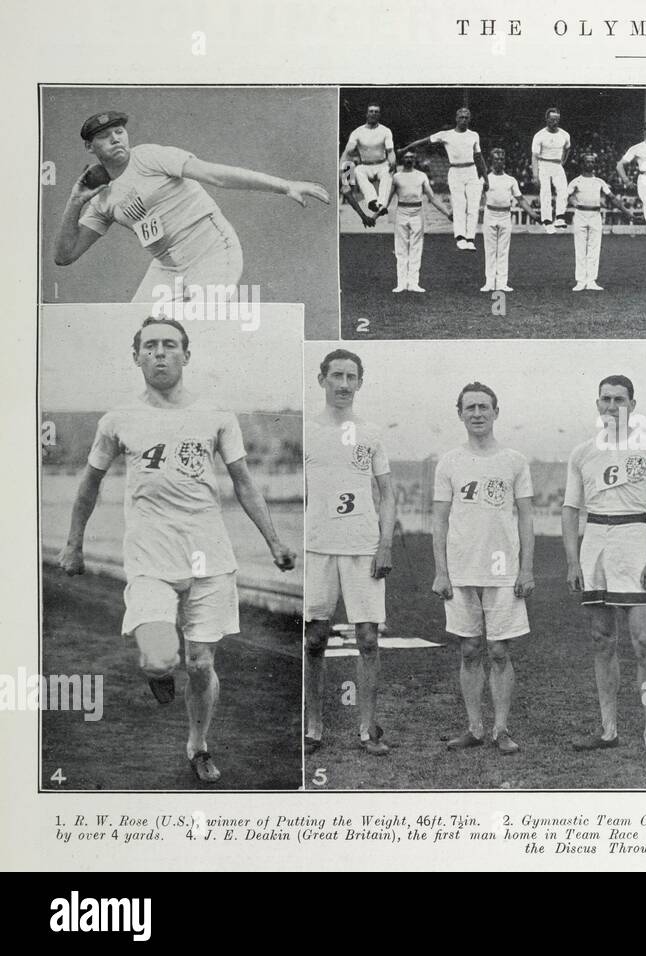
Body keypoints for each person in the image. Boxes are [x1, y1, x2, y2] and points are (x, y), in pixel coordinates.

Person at [57, 317, 297, 784]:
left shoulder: (217, 415)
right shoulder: (117, 420)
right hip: (149, 560)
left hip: (210, 558)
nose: (160, 353)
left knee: (201, 663)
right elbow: (89, 486)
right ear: (136, 357)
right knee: (159, 659)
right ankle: (159, 670)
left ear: (187, 356)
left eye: (170, 345)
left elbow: (244, 485)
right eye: (151, 346)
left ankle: (198, 744)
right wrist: (74, 545)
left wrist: (274, 542)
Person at [54, 111, 330, 302]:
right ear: (90, 147)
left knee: (200, 329)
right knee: (137, 331)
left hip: (211, 251)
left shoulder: (150, 157)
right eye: (104, 136)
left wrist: (284, 185)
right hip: (167, 267)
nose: (116, 138)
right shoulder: (101, 197)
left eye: (119, 131)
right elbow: (65, 256)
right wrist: (76, 200)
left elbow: (217, 175)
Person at [562, 375, 646, 758]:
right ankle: (608, 729)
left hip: (635, 541)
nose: (612, 406)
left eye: (620, 399)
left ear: (632, 404)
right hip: (595, 543)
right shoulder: (581, 453)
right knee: (600, 639)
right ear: (597, 404)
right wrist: (572, 559)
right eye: (606, 399)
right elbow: (570, 510)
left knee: (643, 640)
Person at [431, 383, 535, 755]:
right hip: (461, 570)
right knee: (470, 649)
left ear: (496, 411)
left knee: (499, 651)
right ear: (460, 413)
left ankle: (501, 728)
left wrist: (527, 569)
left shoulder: (514, 461)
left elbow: (525, 519)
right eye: (470, 407)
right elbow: (439, 521)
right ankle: (474, 727)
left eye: (484, 407)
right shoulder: (449, 462)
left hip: (503, 570)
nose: (477, 413)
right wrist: (441, 571)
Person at [303, 349, 396, 758]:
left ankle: (366, 730)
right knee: (314, 639)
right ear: (321, 379)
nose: (343, 384)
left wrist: (385, 542)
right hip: (317, 547)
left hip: (362, 547)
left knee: (368, 638)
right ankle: (314, 727)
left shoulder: (372, 433)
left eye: (351, 377)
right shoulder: (306, 431)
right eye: (336, 375)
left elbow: (389, 493)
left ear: (360, 382)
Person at [401, 107, 486, 251]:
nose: (464, 120)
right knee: (459, 205)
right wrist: (405, 149)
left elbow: (479, 157)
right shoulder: (446, 134)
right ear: (456, 118)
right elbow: (424, 141)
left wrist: (486, 178)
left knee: (473, 206)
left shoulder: (474, 135)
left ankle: (470, 238)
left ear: (469, 119)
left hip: (472, 171)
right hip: (455, 171)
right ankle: (460, 237)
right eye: (461, 117)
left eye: (466, 117)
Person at [567, 153, 637, 291]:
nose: (590, 164)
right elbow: (566, 196)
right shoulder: (576, 181)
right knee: (580, 248)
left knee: (594, 248)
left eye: (592, 162)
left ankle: (591, 280)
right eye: (587, 162)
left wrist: (626, 211)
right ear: (583, 164)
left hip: (595, 215)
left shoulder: (599, 182)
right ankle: (580, 281)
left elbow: (612, 198)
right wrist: (574, 203)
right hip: (580, 215)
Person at [384, 152, 451, 294]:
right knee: (401, 249)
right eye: (406, 157)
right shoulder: (396, 177)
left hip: (417, 214)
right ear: (403, 159)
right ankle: (401, 283)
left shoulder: (421, 176)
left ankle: (413, 283)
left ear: (415, 160)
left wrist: (448, 213)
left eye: (411, 157)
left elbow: (432, 198)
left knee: (416, 248)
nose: (409, 159)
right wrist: (376, 214)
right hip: (401, 213)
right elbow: (387, 199)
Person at [479, 147, 538, 293]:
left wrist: (533, 214)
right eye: (496, 159)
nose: (499, 162)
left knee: (503, 251)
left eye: (501, 159)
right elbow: (474, 197)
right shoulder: (484, 179)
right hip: (490, 215)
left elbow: (521, 199)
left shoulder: (511, 180)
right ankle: (489, 282)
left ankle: (502, 283)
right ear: (491, 161)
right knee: (490, 250)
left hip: (505, 216)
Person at [340, 104, 396, 216]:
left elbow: (390, 151)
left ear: (379, 115)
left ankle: (382, 204)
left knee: (388, 173)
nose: (373, 114)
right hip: (365, 166)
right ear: (366, 114)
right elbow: (347, 153)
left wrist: (393, 163)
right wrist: (344, 178)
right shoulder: (357, 132)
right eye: (371, 111)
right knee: (357, 170)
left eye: (376, 112)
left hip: (382, 164)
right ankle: (371, 201)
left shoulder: (386, 131)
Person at [531, 107, 571, 233]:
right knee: (546, 192)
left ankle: (559, 217)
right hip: (543, 164)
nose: (555, 122)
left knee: (563, 190)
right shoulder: (539, 135)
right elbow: (534, 156)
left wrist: (563, 161)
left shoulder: (564, 135)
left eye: (557, 119)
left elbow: (568, 148)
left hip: (557, 165)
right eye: (552, 119)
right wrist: (535, 174)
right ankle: (547, 220)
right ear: (547, 119)